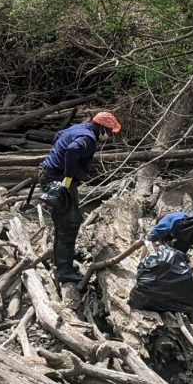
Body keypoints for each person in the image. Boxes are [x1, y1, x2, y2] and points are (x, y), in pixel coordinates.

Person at [37, 111, 121, 284]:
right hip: (58, 180)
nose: (109, 136)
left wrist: (56, 159)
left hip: (49, 174)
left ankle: (61, 264)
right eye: (109, 132)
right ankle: (64, 271)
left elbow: (58, 135)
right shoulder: (88, 138)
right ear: (102, 128)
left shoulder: (79, 128)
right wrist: (67, 178)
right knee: (69, 224)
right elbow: (72, 149)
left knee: (65, 221)